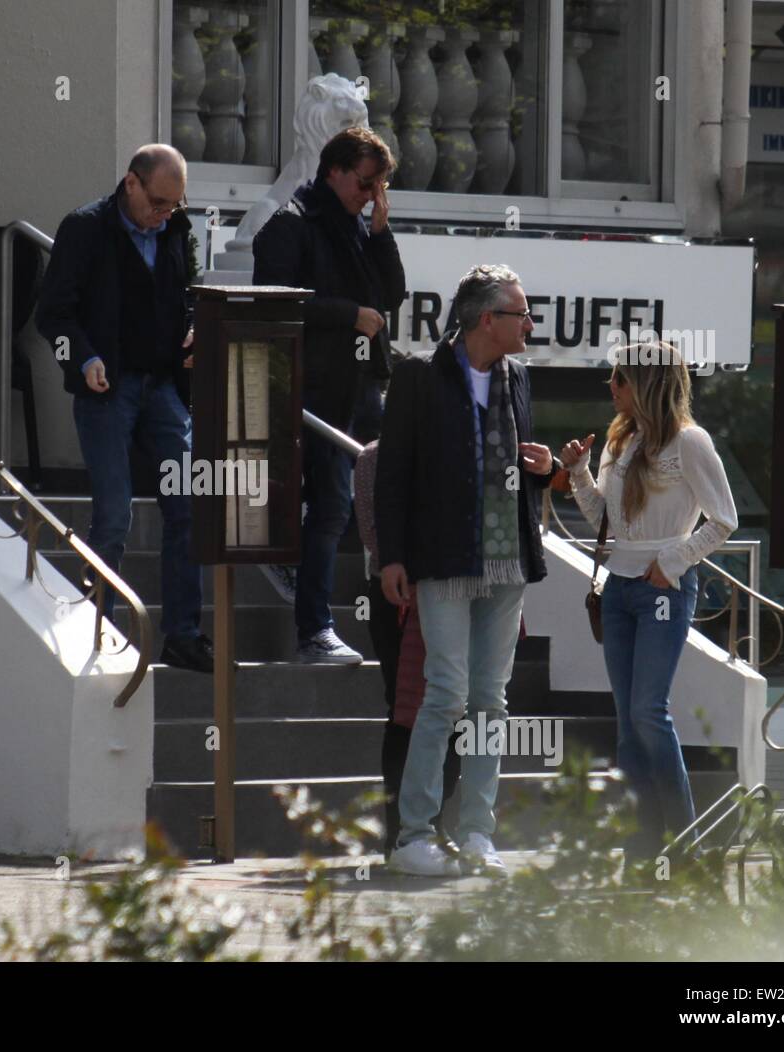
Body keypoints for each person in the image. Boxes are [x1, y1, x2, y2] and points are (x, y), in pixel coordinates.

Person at [376, 264, 557, 878]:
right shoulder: (420, 377)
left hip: (506, 562)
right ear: (488, 320)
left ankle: (477, 831)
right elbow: (393, 473)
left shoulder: (519, 378)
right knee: (446, 695)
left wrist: (543, 468)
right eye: (522, 314)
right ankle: (413, 836)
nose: (530, 324)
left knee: (491, 701)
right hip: (445, 560)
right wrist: (391, 557)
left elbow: (519, 471)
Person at [35, 144, 213, 674]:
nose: (164, 215)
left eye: (174, 206)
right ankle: (95, 630)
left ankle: (183, 634)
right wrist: (83, 358)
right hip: (106, 387)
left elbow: (189, 295)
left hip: (162, 385)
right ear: (130, 184)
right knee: (114, 514)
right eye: (158, 203)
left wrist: (196, 328)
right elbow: (53, 315)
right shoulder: (85, 228)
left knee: (188, 502)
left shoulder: (176, 226)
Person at [560, 346, 738, 862]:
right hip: (618, 588)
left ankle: (684, 847)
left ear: (648, 382)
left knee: (647, 712)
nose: (611, 385)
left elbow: (723, 519)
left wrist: (675, 560)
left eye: (621, 377)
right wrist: (579, 472)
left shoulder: (690, 441)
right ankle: (644, 846)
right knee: (627, 720)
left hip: (662, 588)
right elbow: (605, 519)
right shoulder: (622, 438)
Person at [252, 126, 407, 664]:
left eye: (379, 187)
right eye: (365, 184)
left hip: (361, 386)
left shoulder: (359, 226)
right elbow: (271, 302)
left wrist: (381, 232)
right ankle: (313, 627)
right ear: (335, 170)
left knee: (360, 501)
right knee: (332, 505)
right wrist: (346, 316)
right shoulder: (292, 222)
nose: (371, 195)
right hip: (311, 390)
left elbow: (393, 294)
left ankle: (324, 615)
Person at [354, 439, 462, 860]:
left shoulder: (453, 446)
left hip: (451, 589)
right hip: (394, 592)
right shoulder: (374, 457)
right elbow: (372, 531)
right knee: (404, 710)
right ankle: (399, 829)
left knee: (452, 705)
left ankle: (436, 821)